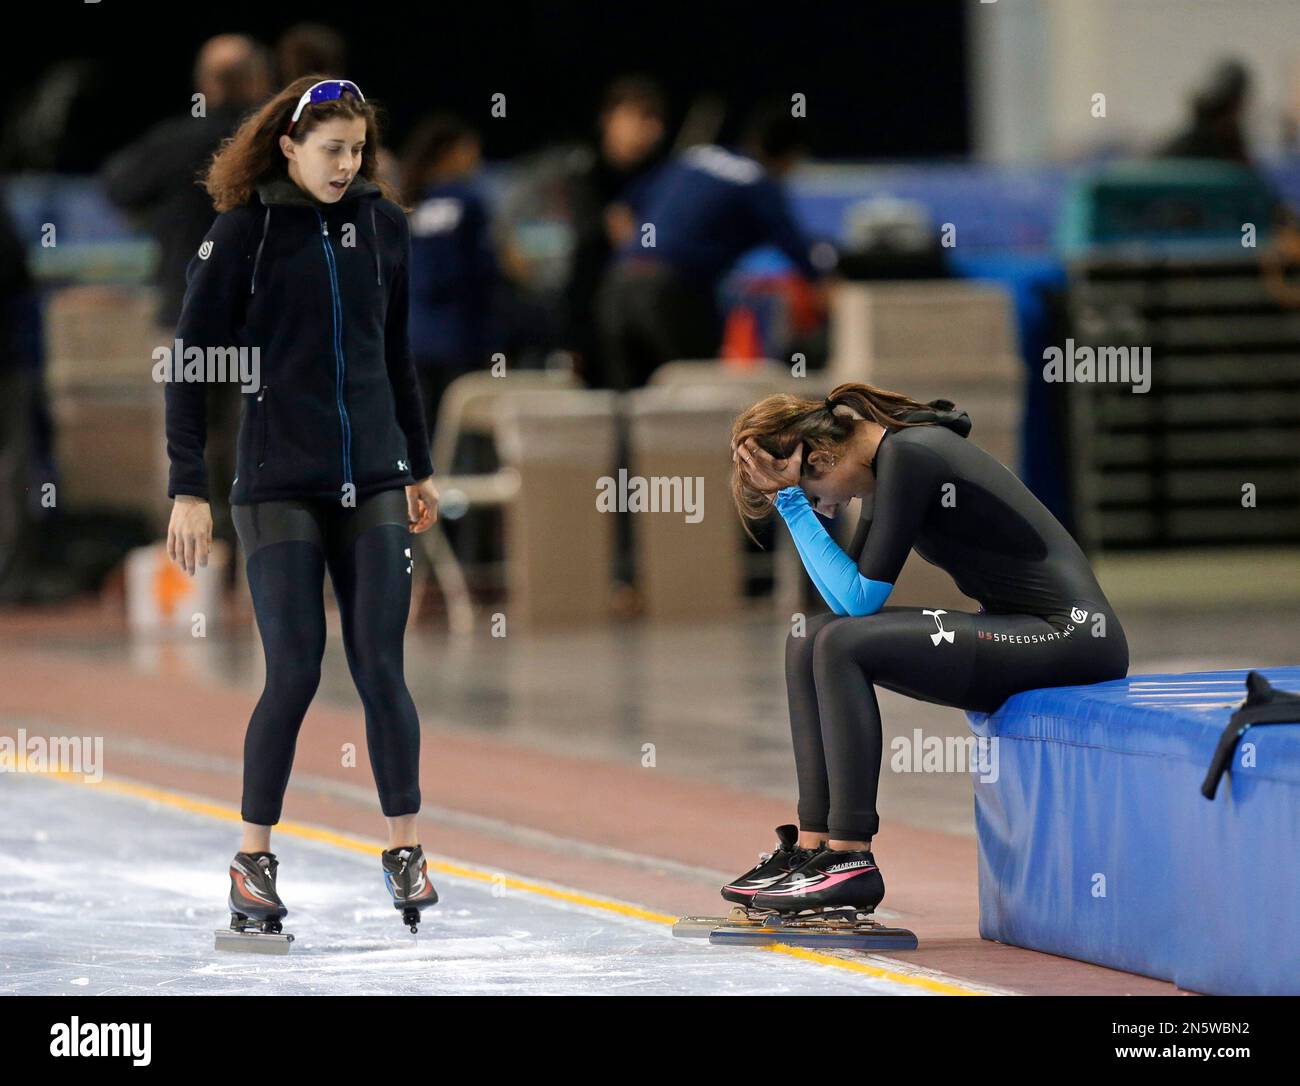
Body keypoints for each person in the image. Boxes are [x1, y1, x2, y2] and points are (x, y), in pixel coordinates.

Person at [163, 76, 442, 938]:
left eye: (357, 150)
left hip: (378, 480)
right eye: (332, 150)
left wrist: (418, 469)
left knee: (381, 667)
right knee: (294, 670)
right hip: (277, 481)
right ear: (289, 146)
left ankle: (405, 849)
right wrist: (186, 486)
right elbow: (191, 360)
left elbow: (396, 357)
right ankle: (253, 864)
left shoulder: (383, 227)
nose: (347, 164)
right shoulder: (243, 234)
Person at [726, 383, 1129, 917]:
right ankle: (817, 848)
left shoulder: (911, 455)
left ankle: (850, 860)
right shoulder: (883, 463)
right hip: (1019, 625)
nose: (831, 502)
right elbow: (843, 598)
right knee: (807, 637)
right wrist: (792, 495)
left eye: (816, 485)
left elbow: (859, 598)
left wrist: (793, 504)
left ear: (823, 455)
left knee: (842, 644)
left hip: (1072, 636)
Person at [596, 101, 823, 392]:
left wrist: (639, 255)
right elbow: (800, 255)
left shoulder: (696, 157)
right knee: (698, 401)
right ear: (792, 156)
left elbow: (620, 210)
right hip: (670, 295)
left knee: (626, 408)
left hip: (616, 285)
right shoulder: (760, 183)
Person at [399, 114, 496, 440]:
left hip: (415, 338)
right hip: (461, 338)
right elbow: (485, 270)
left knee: (423, 431)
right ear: (452, 154)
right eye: (470, 151)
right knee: (464, 433)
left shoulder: (411, 205)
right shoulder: (468, 202)